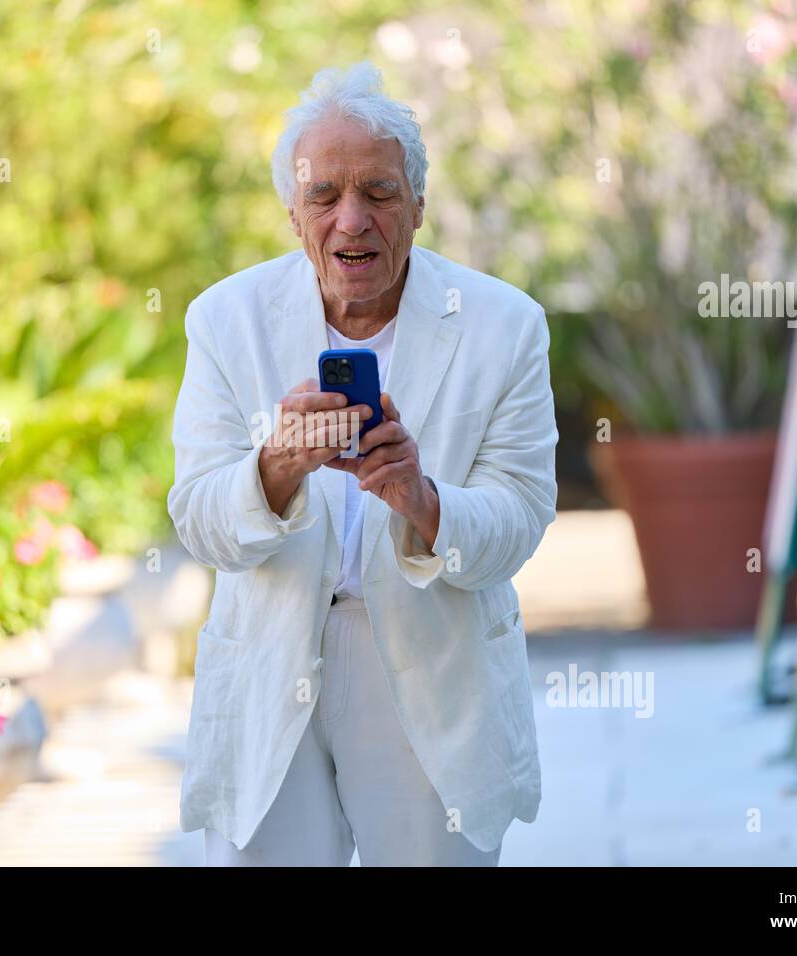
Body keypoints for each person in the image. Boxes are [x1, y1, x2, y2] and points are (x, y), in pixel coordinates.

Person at [167, 61, 558, 866]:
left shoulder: (506, 326)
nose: (353, 220)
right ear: (292, 212)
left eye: (379, 193)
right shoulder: (224, 320)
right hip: (271, 664)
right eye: (325, 196)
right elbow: (199, 518)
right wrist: (274, 468)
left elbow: (520, 518)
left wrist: (422, 499)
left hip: (432, 664)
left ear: (419, 205)